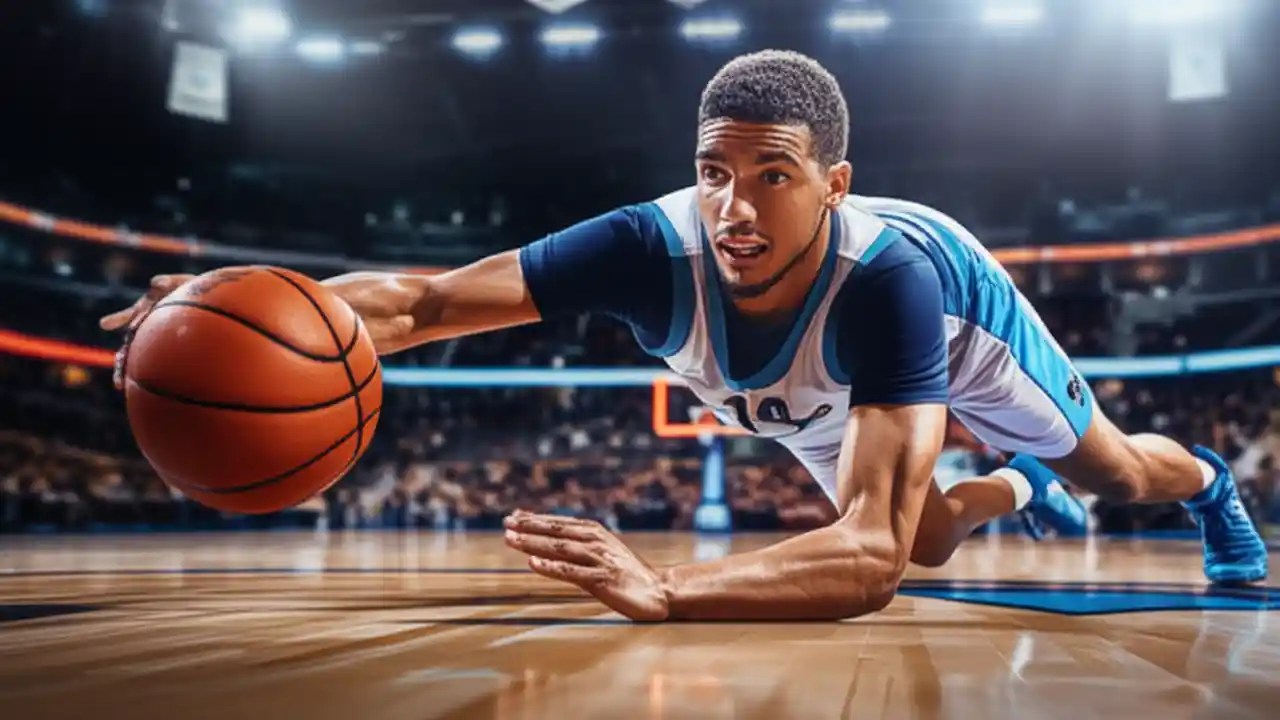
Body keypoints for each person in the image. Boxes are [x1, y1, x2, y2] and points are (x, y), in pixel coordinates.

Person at [101, 50, 1267, 622]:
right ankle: (1008, 493)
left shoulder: (892, 277)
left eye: (771, 177)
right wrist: (238, 311)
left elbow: (848, 564)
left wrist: (667, 588)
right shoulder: (638, 247)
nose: (734, 209)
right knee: (921, 548)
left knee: (1109, 471)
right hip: (816, 388)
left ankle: (1207, 484)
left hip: (960, 326)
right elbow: (419, 305)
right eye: (713, 173)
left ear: (834, 184)